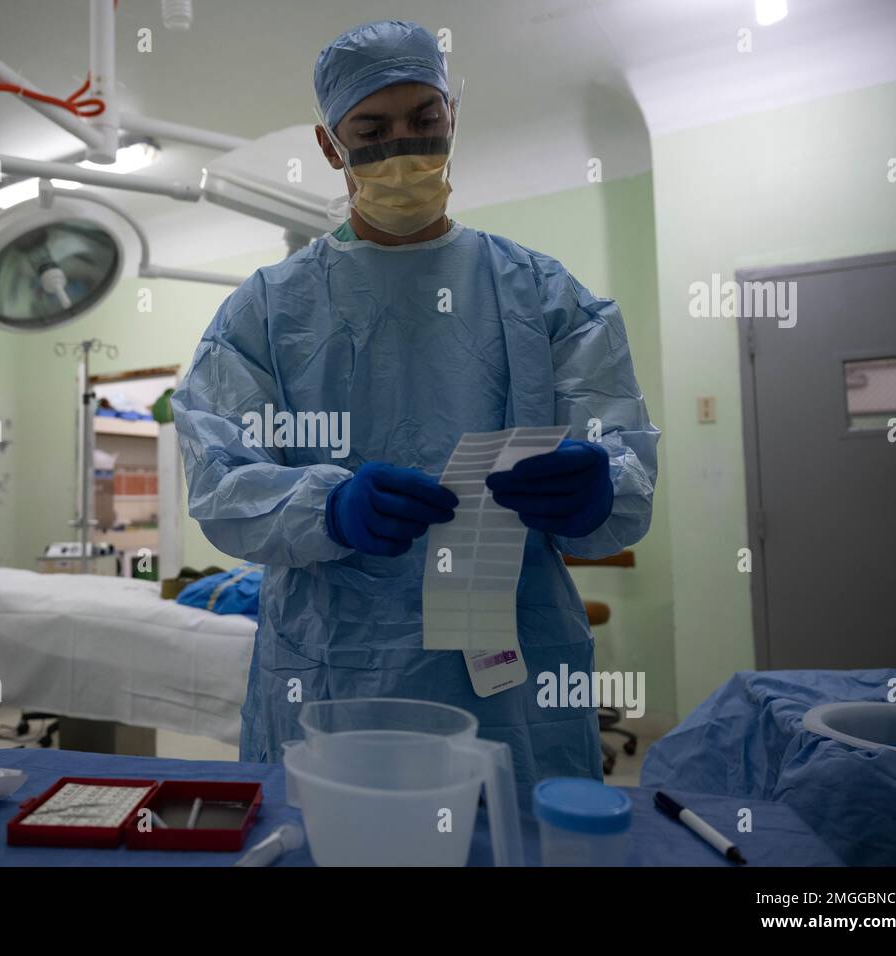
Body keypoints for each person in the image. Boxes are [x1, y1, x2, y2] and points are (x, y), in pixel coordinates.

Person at [172, 20, 660, 794]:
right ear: (330, 147)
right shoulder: (264, 312)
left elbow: (625, 464)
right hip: (334, 662)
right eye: (371, 130)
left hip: (511, 658)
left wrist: (599, 483)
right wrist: (328, 510)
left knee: (516, 836)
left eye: (424, 122)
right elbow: (220, 483)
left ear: (453, 120)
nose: (402, 148)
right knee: (332, 835)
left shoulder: (542, 294)